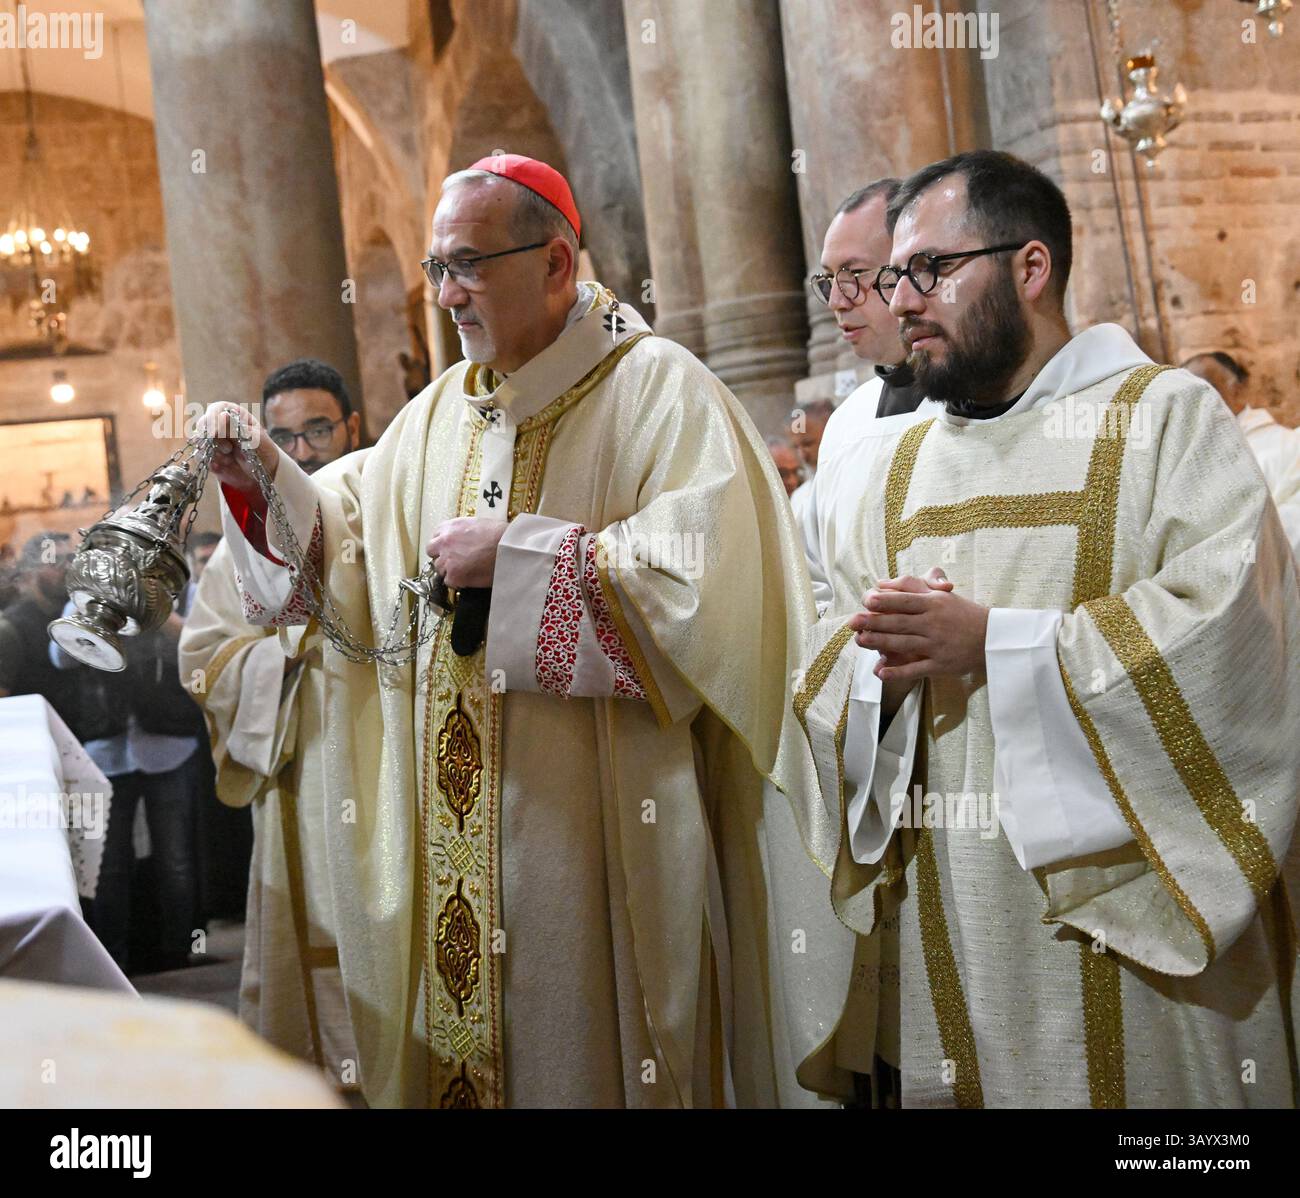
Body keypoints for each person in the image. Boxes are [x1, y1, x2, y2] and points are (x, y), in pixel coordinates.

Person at [199, 155, 825, 1109]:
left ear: (558, 262)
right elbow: (347, 545)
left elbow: (711, 594)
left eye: (469, 266)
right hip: (454, 833)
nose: (447, 295)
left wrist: (528, 562)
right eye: (435, 268)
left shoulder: (660, 390)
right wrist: (260, 481)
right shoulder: (437, 415)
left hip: (594, 834)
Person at [791, 149, 1299, 1108]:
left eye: (932, 270)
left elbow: (1235, 637)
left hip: (1143, 946)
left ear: (1032, 268)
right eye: (895, 275)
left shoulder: (1162, 420)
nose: (902, 300)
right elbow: (824, 666)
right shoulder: (888, 472)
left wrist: (997, 647)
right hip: (963, 929)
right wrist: (877, 678)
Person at [179, 360, 361, 1083]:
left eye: (318, 428)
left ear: (353, 425)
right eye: (282, 433)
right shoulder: (238, 548)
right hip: (304, 760)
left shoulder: (388, 511)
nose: (304, 447)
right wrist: (287, 656)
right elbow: (203, 658)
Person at [802, 179, 927, 611]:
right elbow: (817, 586)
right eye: (828, 280)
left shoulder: (987, 402)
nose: (837, 300)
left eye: (854, 275)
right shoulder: (846, 423)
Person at [1181, 351, 1300, 559]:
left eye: (1206, 388)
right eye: (1186, 394)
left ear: (1237, 389)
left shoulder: (1290, 446)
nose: (1196, 402)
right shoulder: (1184, 462)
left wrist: (1231, 552)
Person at [0, 533, 79, 729]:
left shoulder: (70, 613)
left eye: (70, 559)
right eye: (55, 561)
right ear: (30, 570)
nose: (67, 567)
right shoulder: (10, 629)